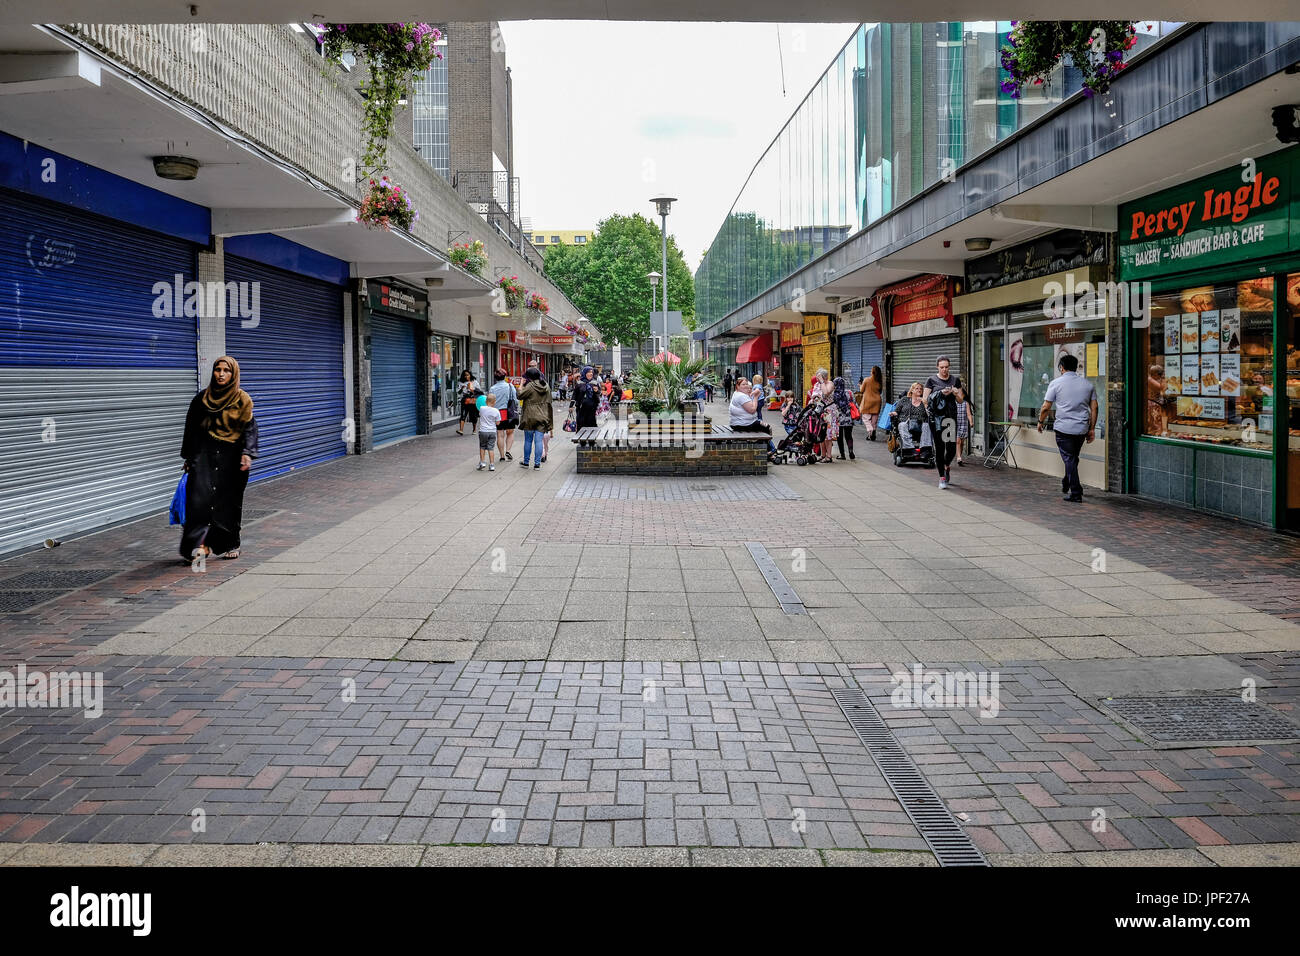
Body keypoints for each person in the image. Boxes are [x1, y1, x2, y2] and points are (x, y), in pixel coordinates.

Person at [180, 355, 258, 563]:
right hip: (204, 455)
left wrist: (247, 453)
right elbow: (191, 430)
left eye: (226, 370)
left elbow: (250, 429)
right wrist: (189, 457)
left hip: (232, 457)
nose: (221, 374)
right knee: (198, 501)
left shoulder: (242, 399)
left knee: (228, 502)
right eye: (218, 369)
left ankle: (230, 543)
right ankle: (199, 546)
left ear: (234, 374)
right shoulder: (202, 399)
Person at [1037, 353, 1098, 503]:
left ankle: (1076, 492)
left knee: (1069, 459)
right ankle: (1067, 482)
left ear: (1061, 368)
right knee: (1072, 458)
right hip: (1081, 429)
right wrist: (1091, 429)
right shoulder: (1088, 385)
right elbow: (1095, 408)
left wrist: (1040, 421)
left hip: (1063, 428)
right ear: (1076, 367)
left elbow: (1046, 407)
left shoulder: (1056, 383)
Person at [924, 356, 963, 489]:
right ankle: (941, 477)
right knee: (940, 447)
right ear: (937, 367)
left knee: (951, 448)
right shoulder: (931, 380)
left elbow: (961, 400)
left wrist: (956, 393)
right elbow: (925, 400)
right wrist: (940, 393)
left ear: (949, 367)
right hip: (936, 418)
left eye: (946, 367)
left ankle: (946, 465)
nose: (944, 370)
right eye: (942, 367)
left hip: (949, 418)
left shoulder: (954, 380)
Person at [518, 366, 550, 469]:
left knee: (528, 440)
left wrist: (521, 384)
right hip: (542, 415)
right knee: (539, 441)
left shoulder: (530, 385)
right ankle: (537, 464)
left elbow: (520, 395)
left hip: (529, 416)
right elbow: (549, 402)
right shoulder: (546, 385)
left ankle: (526, 462)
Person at [490, 369, 518, 460]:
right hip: (509, 413)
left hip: (498, 413)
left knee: (500, 434)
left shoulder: (492, 388)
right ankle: (508, 451)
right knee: (510, 433)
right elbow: (515, 400)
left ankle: (502, 456)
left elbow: (490, 402)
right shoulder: (510, 386)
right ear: (505, 376)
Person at [831, 376, 856, 461]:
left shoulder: (834, 394)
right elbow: (854, 403)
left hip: (839, 419)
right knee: (849, 436)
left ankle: (842, 455)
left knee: (840, 437)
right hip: (849, 418)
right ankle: (850, 451)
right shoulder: (849, 392)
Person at [857, 366, 883, 440]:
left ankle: (870, 430)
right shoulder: (879, 381)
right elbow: (880, 392)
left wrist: (860, 385)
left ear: (872, 372)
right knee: (874, 420)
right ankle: (871, 434)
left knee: (865, 418)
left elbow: (862, 390)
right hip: (877, 401)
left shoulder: (866, 380)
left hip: (867, 401)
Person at [477, 392, 501, 472]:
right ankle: (491, 465)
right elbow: (498, 423)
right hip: (492, 432)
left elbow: (480, 415)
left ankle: (482, 462)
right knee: (491, 448)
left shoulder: (482, 408)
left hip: (483, 431)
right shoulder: (496, 411)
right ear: (494, 402)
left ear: (486, 401)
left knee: (482, 446)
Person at [573, 365, 600, 429]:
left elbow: (599, 393)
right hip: (581, 408)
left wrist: (596, 391)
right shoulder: (579, 383)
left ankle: (591, 438)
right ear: (585, 373)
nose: (591, 373)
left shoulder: (594, 382)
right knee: (581, 425)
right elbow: (574, 395)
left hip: (592, 408)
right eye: (589, 372)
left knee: (591, 425)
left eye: (592, 372)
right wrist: (571, 406)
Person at [456, 370, 479, 436]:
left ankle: (474, 429)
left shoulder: (474, 382)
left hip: (472, 400)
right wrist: (462, 388)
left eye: (468, 375)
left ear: (470, 375)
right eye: (465, 375)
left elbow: (478, 391)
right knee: (463, 414)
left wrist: (471, 389)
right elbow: (458, 392)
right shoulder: (461, 382)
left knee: (473, 415)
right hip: (465, 399)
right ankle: (461, 430)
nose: (466, 376)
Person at [954, 386, 971, 465]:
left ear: (963, 395)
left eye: (960, 393)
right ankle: (958, 457)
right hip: (956, 424)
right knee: (958, 441)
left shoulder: (966, 403)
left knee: (962, 443)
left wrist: (971, 422)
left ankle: (959, 456)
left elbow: (968, 414)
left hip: (963, 424)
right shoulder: (954, 403)